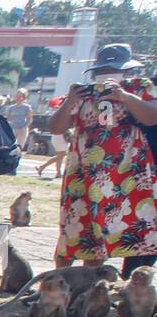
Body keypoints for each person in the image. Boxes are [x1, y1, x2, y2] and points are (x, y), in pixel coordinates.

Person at [49, 43, 157, 277]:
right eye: (104, 68)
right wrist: (70, 101)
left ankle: (99, 284)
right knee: (77, 226)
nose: (107, 73)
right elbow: (55, 127)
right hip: (83, 171)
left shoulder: (139, 88)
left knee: (121, 226)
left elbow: (151, 118)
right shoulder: (84, 93)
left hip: (125, 173)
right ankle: (59, 283)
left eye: (113, 68)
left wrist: (125, 97)